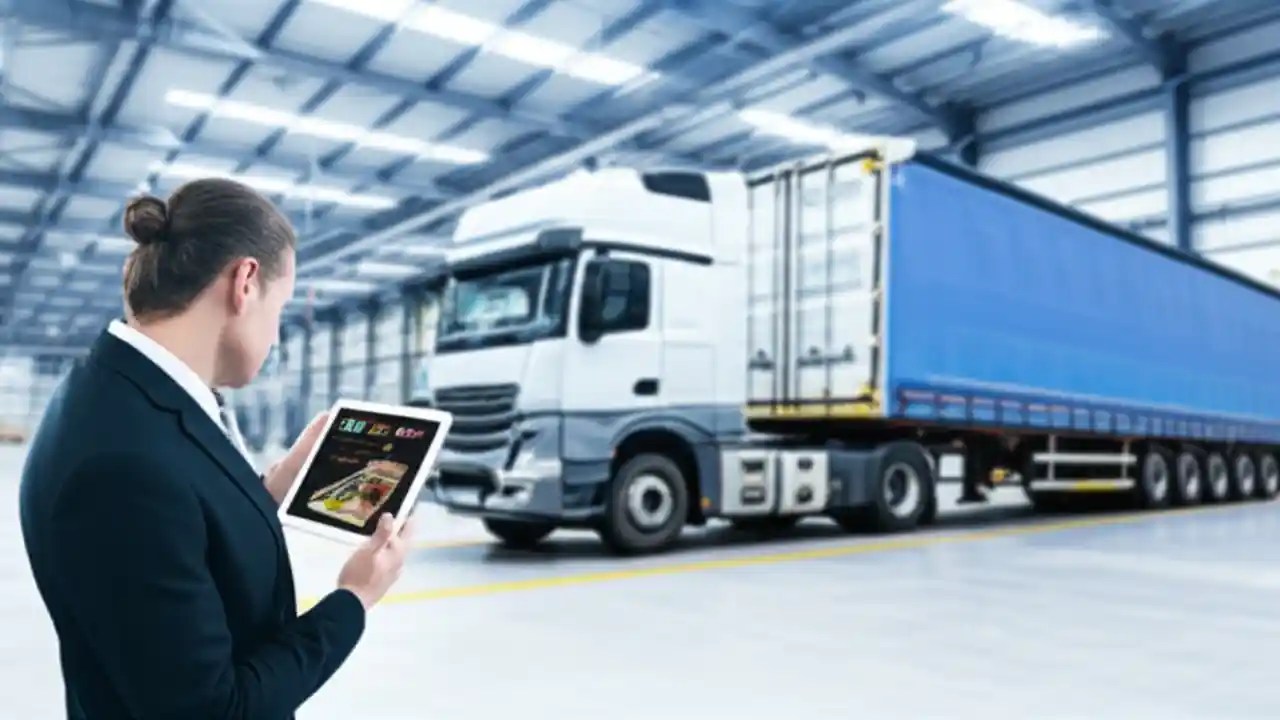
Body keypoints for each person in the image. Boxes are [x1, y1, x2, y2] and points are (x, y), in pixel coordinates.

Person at [18, 178, 414, 719]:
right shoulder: (123, 465)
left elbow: (179, 522)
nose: (275, 335)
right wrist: (354, 598)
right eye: (281, 308)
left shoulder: (117, 391)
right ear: (245, 283)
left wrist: (269, 489)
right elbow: (215, 709)